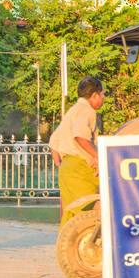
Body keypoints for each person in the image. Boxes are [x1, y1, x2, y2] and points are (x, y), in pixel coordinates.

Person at [49, 76, 104, 222]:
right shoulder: (87, 111)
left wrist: (60, 165)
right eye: (102, 94)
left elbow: (53, 143)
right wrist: (98, 157)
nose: (103, 98)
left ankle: (68, 245)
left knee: (71, 217)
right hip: (80, 169)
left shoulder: (72, 112)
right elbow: (80, 136)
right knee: (92, 212)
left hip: (67, 169)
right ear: (94, 95)